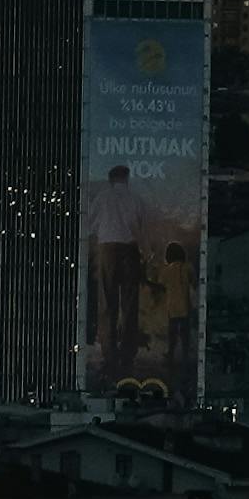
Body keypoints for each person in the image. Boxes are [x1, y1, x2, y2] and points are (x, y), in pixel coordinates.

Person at [89, 162, 145, 386]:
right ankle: (128, 353)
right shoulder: (136, 199)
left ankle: (109, 354)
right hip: (130, 250)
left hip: (108, 249)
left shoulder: (102, 198)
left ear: (111, 179)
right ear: (127, 179)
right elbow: (141, 226)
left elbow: (91, 226)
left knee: (107, 303)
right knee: (130, 303)